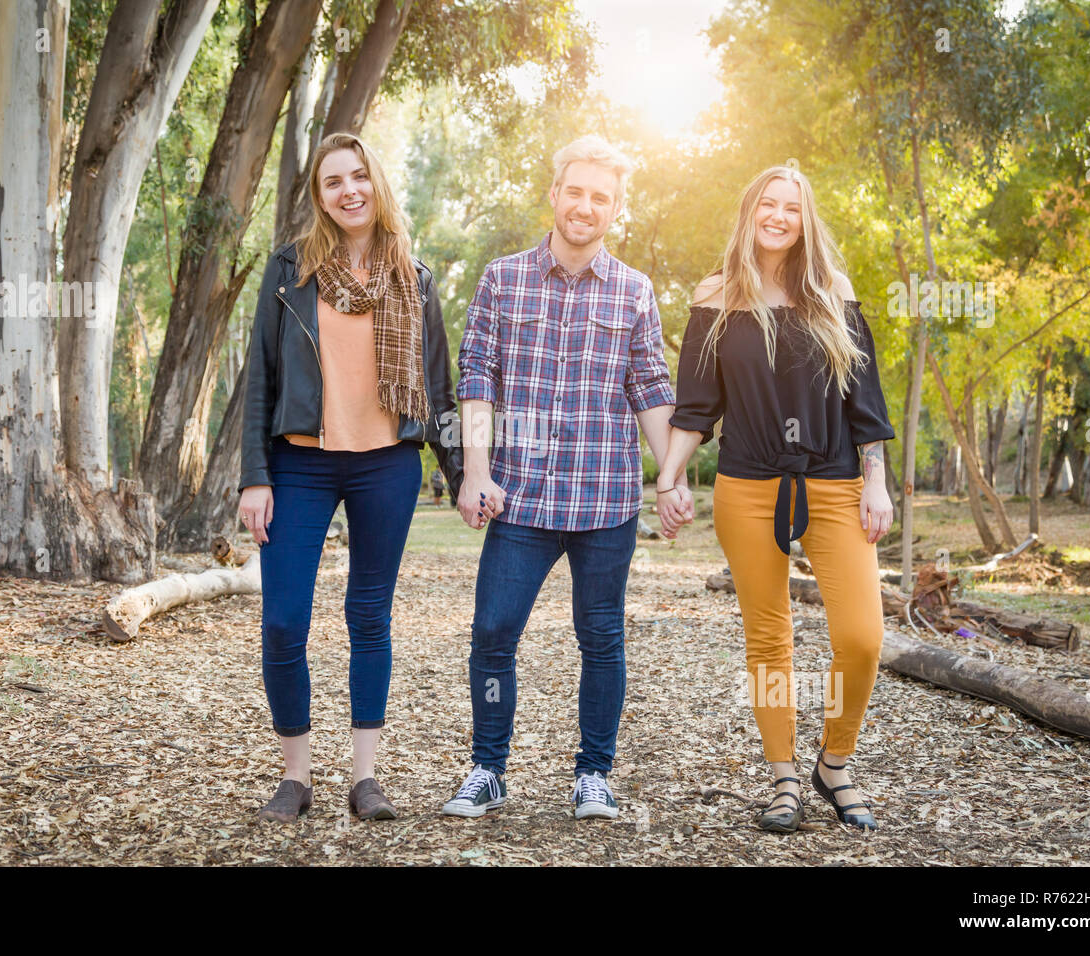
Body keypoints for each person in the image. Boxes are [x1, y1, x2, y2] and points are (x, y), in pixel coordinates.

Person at [440, 135, 681, 821]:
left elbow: (651, 387)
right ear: (553, 194)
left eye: (600, 197)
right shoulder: (502, 278)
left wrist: (670, 477)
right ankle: (489, 768)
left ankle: (594, 774)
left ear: (616, 209)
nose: (585, 206)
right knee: (493, 633)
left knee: (601, 639)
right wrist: (475, 472)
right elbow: (477, 378)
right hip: (517, 498)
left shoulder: (634, 290)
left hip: (605, 499)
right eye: (574, 191)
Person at [657, 165, 894, 833]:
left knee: (861, 637)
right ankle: (784, 773)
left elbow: (865, 404)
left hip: (834, 480)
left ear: (804, 218)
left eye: (793, 207)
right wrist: (670, 477)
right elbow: (696, 407)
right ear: (750, 210)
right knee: (769, 639)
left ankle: (835, 762)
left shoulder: (832, 292)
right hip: (748, 485)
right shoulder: (716, 296)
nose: (780, 215)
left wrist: (875, 481)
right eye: (770, 202)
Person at [237, 132, 463, 824]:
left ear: (376, 182)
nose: (349, 191)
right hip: (299, 463)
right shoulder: (288, 271)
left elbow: (440, 390)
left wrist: (463, 476)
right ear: (320, 197)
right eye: (333, 182)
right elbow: (259, 381)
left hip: (387, 462)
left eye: (359, 176)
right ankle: (295, 778)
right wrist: (255, 476)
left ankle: (365, 779)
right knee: (282, 623)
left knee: (369, 616)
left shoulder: (413, 277)